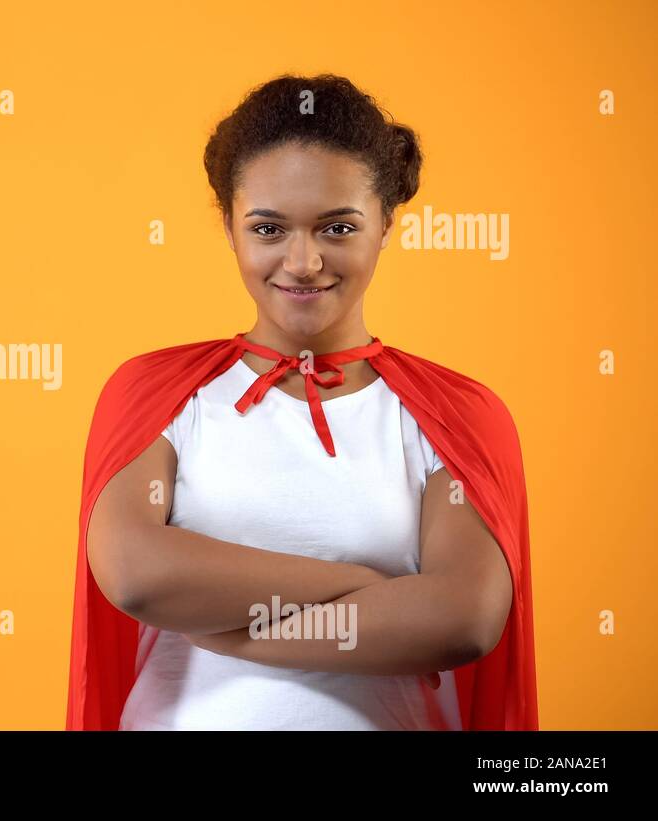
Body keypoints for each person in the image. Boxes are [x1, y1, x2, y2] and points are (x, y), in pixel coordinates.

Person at [74, 74, 529, 730]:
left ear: (386, 224)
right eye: (269, 228)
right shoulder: (158, 395)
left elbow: (462, 617)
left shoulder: (453, 415)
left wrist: (238, 633)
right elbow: (137, 573)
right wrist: (371, 593)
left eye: (338, 226)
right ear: (230, 227)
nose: (304, 260)